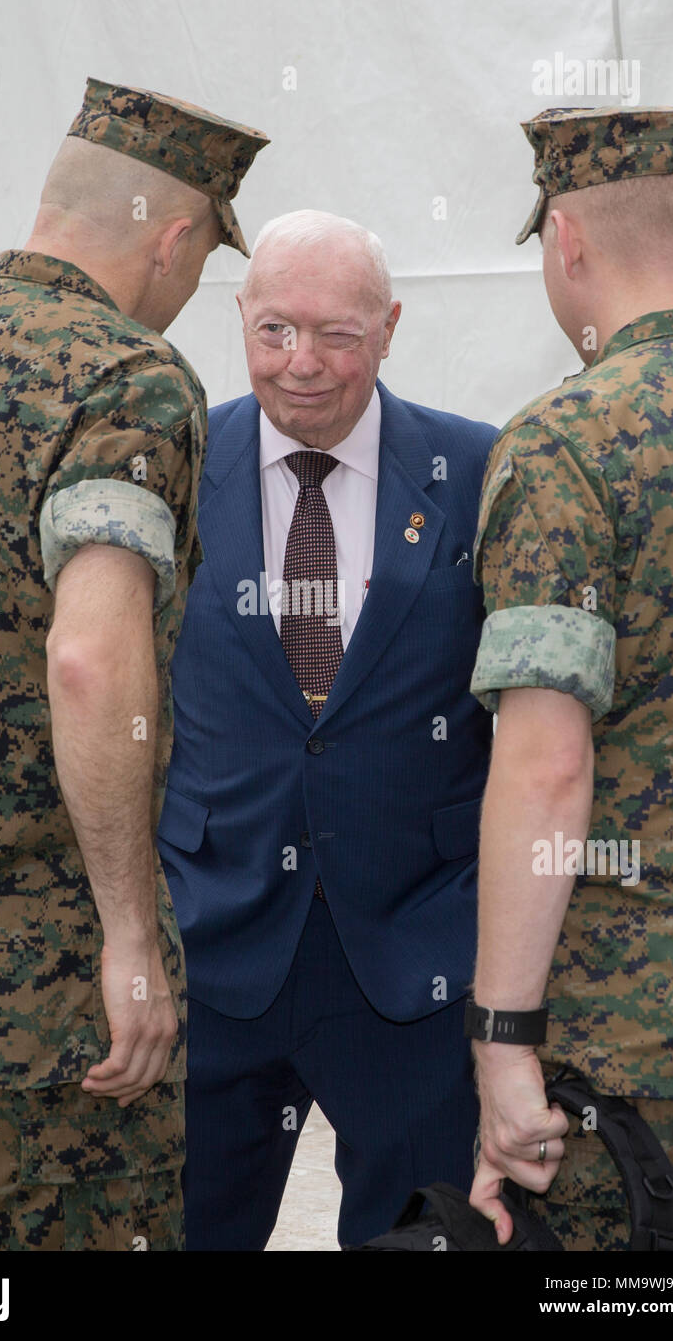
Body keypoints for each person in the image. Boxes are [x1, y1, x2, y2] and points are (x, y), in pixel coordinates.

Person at [0, 77, 267, 1251]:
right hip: (43, 1018)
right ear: (174, 235)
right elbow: (91, 659)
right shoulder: (124, 379)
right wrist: (129, 937)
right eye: (203, 264)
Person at [156, 209, 497, 1249]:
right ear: (239, 320)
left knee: (419, 1235)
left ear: (388, 326)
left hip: (413, 958)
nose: (300, 363)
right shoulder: (165, 466)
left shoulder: (482, 471)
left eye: (335, 335)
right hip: (212, 947)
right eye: (272, 331)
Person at [467, 106, 673, 1250]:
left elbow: (546, 762)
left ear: (563, 241)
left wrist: (499, 1034)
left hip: (651, 1045)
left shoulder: (569, 444)